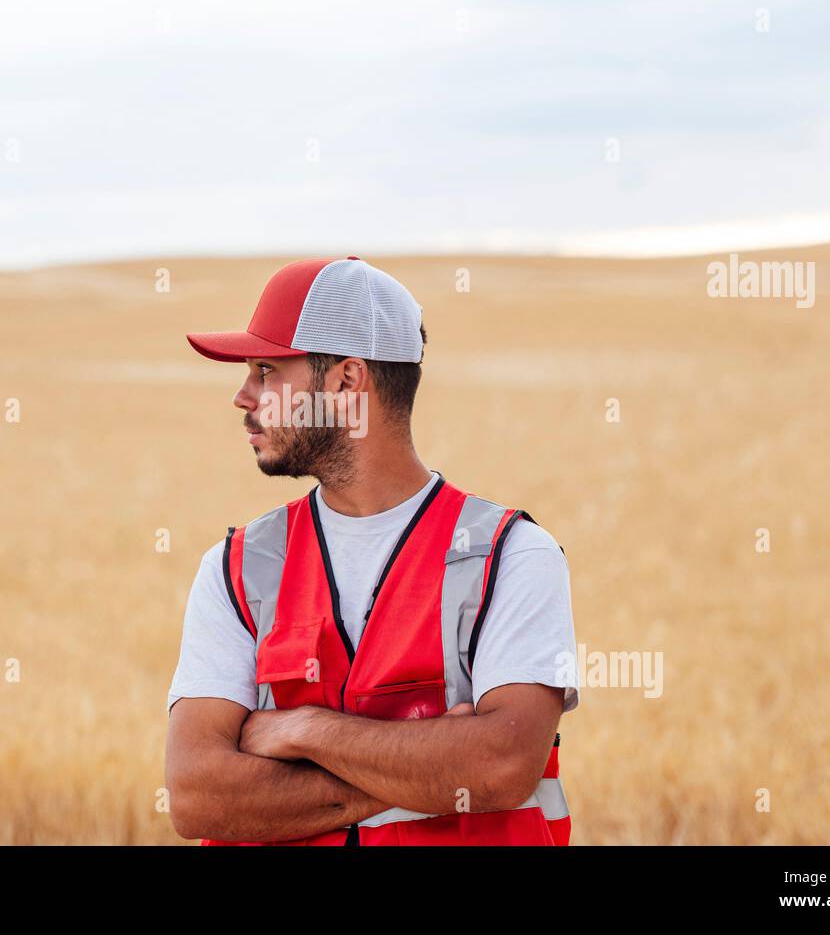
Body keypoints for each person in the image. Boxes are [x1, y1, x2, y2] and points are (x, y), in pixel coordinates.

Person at [165, 256, 579, 845]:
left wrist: (304, 730)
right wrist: (433, 764)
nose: (243, 395)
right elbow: (198, 798)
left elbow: (501, 766)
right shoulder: (235, 569)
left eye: (266, 370)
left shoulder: (512, 557)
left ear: (346, 381)